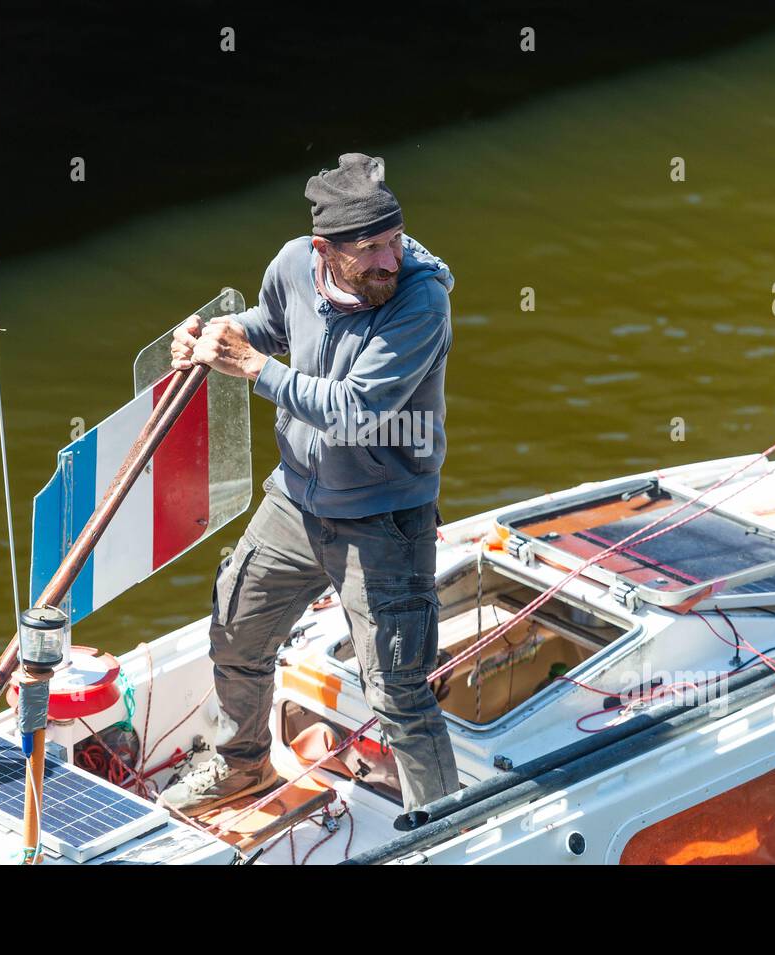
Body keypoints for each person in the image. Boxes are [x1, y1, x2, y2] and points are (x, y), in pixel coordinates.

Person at [161, 153, 459, 814]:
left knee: (397, 689)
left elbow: (355, 410)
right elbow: (269, 328)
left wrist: (252, 367)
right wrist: (217, 335)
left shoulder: (421, 303)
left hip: (385, 520)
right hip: (296, 498)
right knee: (236, 628)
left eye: (395, 241)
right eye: (371, 250)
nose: (389, 261)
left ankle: (445, 824)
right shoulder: (293, 263)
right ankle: (240, 764)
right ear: (325, 250)